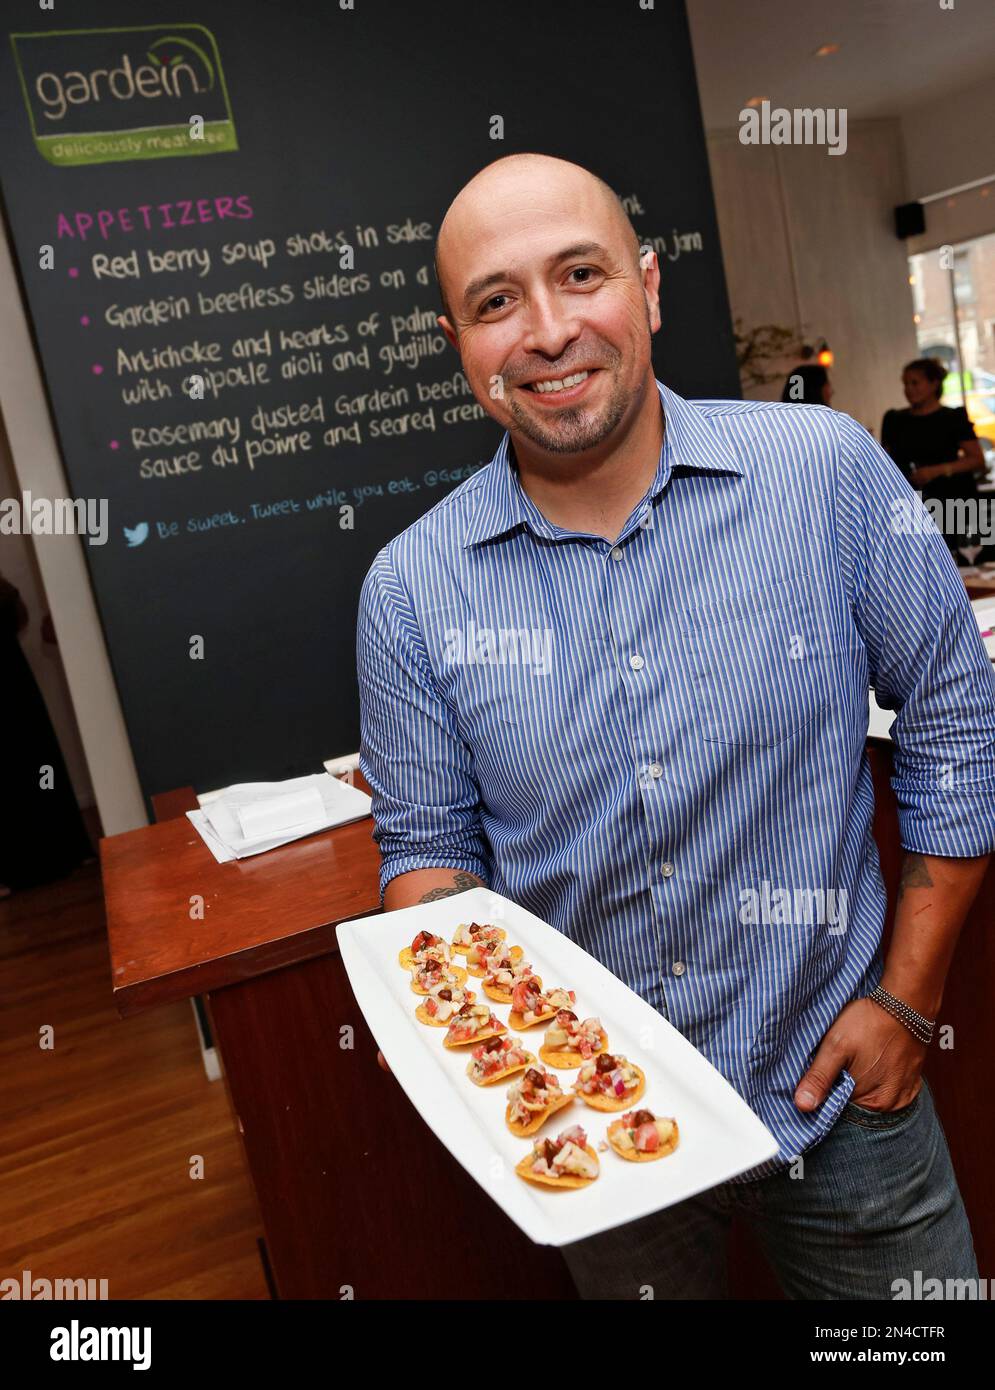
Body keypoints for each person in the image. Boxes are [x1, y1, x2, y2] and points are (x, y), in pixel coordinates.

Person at [356, 153, 995, 1299]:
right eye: (496, 301)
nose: (547, 330)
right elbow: (426, 852)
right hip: (593, 1139)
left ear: (646, 289)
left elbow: (954, 709)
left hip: (842, 1096)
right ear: (459, 343)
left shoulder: (827, 475)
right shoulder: (408, 592)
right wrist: (476, 1022)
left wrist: (907, 996)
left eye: (580, 275)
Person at [0, 571, 94, 894]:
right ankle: (63, 852)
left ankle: (29, 865)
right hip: (17, 691)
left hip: (16, 690)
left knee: (27, 771)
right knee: (36, 766)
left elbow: (20, 617)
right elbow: (20, 617)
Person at [881, 358, 986, 562]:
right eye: (905, 384)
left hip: (953, 501)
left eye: (915, 383)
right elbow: (886, 461)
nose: (909, 389)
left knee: (966, 562)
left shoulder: (952, 417)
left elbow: (976, 460)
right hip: (912, 505)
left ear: (934, 384)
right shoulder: (895, 419)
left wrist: (935, 471)